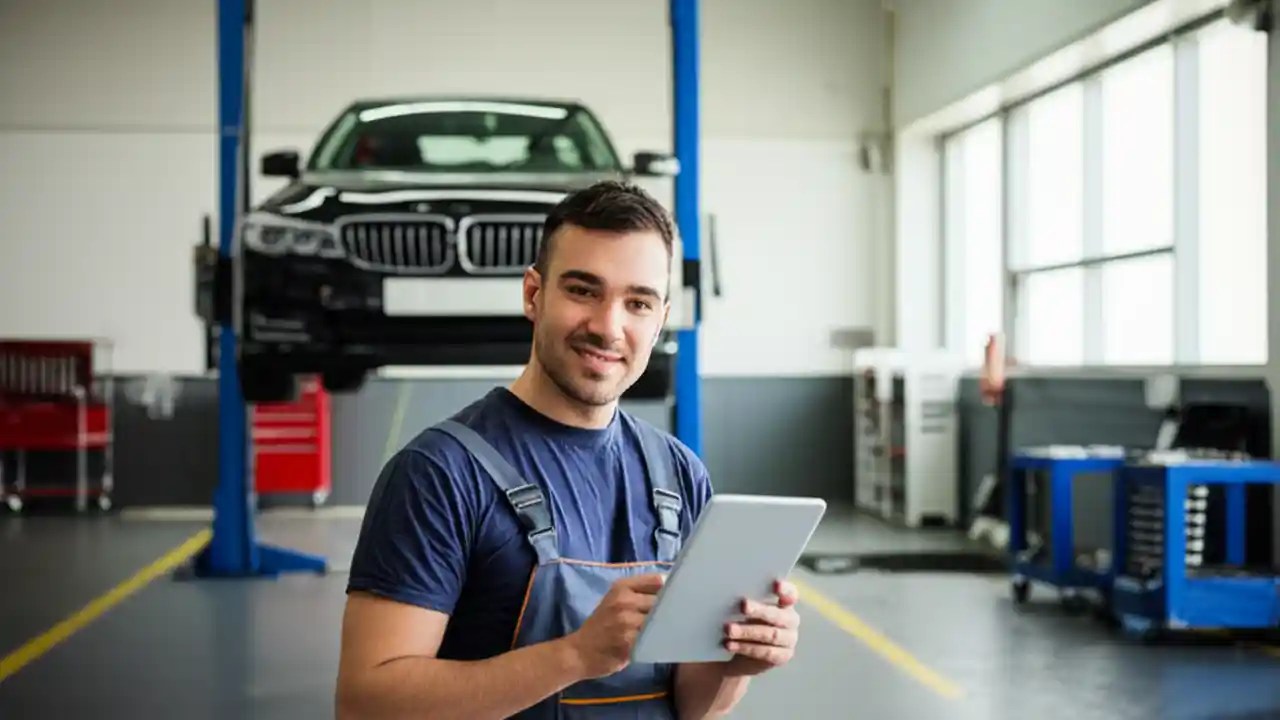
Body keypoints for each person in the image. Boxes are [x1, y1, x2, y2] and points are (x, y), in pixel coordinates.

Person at [335, 181, 802, 719]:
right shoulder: (439, 473)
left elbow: (690, 706)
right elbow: (366, 705)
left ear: (660, 317)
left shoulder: (678, 475)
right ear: (534, 294)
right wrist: (575, 655)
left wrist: (735, 661)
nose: (608, 327)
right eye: (583, 290)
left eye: (638, 303)